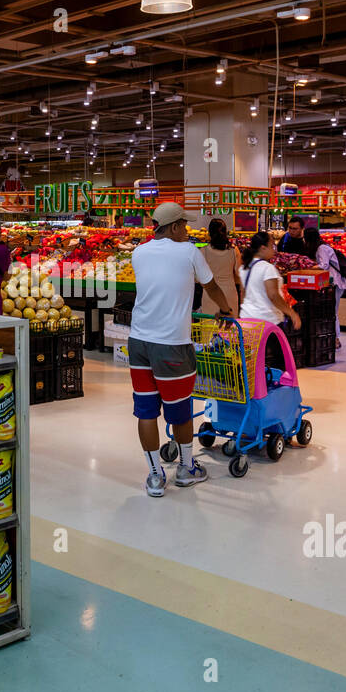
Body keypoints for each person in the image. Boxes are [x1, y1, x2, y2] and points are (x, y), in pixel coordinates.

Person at [129, 202, 235, 498]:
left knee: (146, 411)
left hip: (138, 341)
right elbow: (211, 287)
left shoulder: (139, 252)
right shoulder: (188, 252)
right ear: (174, 227)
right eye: (184, 225)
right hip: (172, 344)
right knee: (180, 412)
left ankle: (154, 476)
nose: (187, 230)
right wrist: (225, 310)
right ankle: (187, 470)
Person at [305, 227, 346, 347]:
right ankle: (333, 338)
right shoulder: (322, 246)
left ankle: (336, 339)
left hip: (335, 283)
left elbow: (324, 265)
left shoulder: (321, 248)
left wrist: (307, 268)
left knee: (332, 311)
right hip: (332, 283)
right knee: (330, 311)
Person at [197, 218, 242, 317]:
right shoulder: (234, 250)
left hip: (210, 295)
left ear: (209, 233)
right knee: (229, 329)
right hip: (229, 293)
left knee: (209, 327)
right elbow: (238, 274)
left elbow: (198, 278)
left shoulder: (203, 251)